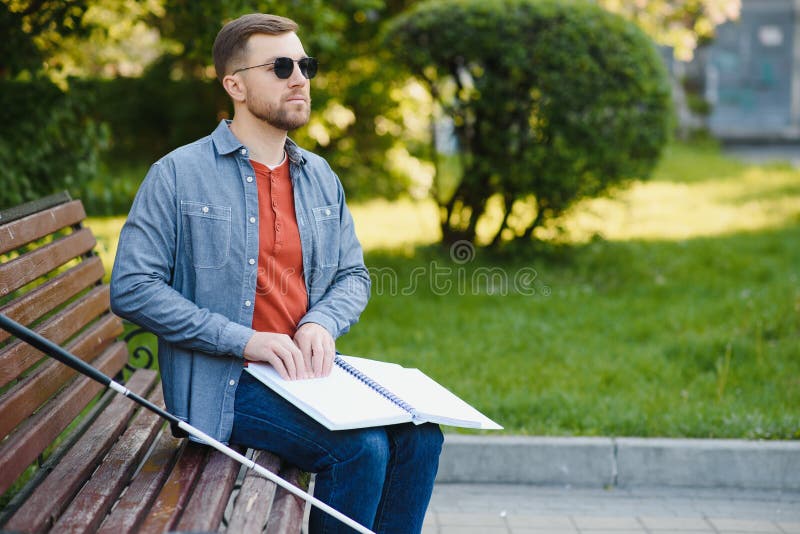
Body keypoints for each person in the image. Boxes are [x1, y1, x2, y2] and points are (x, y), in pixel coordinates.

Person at [110, 13, 443, 534]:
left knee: (423, 437)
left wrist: (319, 324)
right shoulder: (177, 174)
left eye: (304, 65)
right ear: (235, 84)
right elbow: (132, 288)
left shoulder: (319, 175)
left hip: (306, 377)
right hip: (227, 383)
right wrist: (246, 341)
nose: (300, 78)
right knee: (361, 448)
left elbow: (353, 274)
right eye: (281, 66)